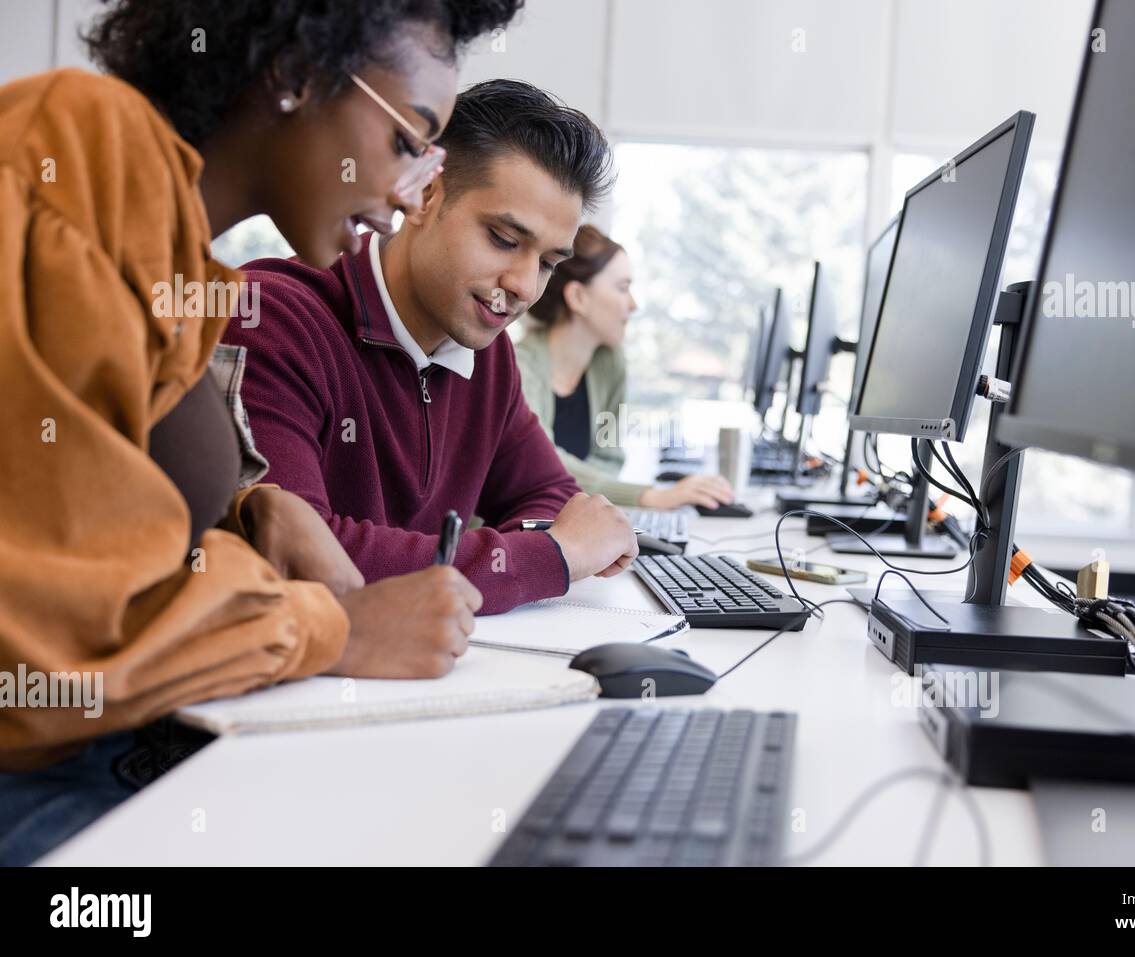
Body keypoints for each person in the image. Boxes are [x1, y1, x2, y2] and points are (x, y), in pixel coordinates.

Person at [0, 0, 523, 866]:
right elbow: (50, 644)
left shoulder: (180, 256)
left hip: (120, 743)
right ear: (297, 73)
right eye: (407, 142)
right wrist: (338, 627)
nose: (406, 198)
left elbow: (87, 500)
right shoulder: (80, 143)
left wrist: (250, 512)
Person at [223, 80, 638, 615]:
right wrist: (549, 557)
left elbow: (552, 499)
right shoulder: (271, 319)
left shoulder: (489, 356)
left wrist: (524, 556)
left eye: (548, 263)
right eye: (505, 241)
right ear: (424, 195)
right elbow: (303, 558)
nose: (524, 286)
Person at [515, 225, 735, 509]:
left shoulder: (609, 363)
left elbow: (609, 458)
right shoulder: (521, 367)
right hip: (515, 530)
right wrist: (649, 497)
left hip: (569, 517)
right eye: (622, 288)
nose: (632, 304)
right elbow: (541, 459)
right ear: (578, 297)